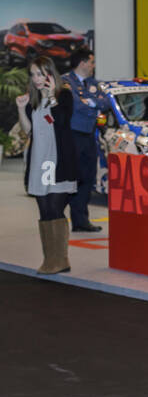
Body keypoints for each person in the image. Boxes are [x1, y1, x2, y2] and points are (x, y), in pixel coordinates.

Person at [15, 57, 77, 274]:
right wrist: (22, 110)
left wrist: (51, 97)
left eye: (41, 74)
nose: (37, 79)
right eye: (33, 74)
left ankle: (60, 260)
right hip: (40, 162)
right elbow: (28, 130)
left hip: (58, 162)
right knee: (44, 211)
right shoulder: (33, 99)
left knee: (55, 208)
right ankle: (51, 260)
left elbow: (62, 121)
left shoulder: (64, 95)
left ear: (51, 74)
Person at [62, 49, 112, 232]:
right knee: (70, 178)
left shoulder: (93, 83)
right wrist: (93, 103)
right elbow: (75, 104)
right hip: (72, 135)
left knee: (87, 178)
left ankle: (80, 220)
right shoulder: (65, 81)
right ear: (82, 63)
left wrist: (90, 102)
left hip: (89, 135)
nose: (93, 66)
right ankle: (58, 216)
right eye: (91, 62)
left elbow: (105, 103)